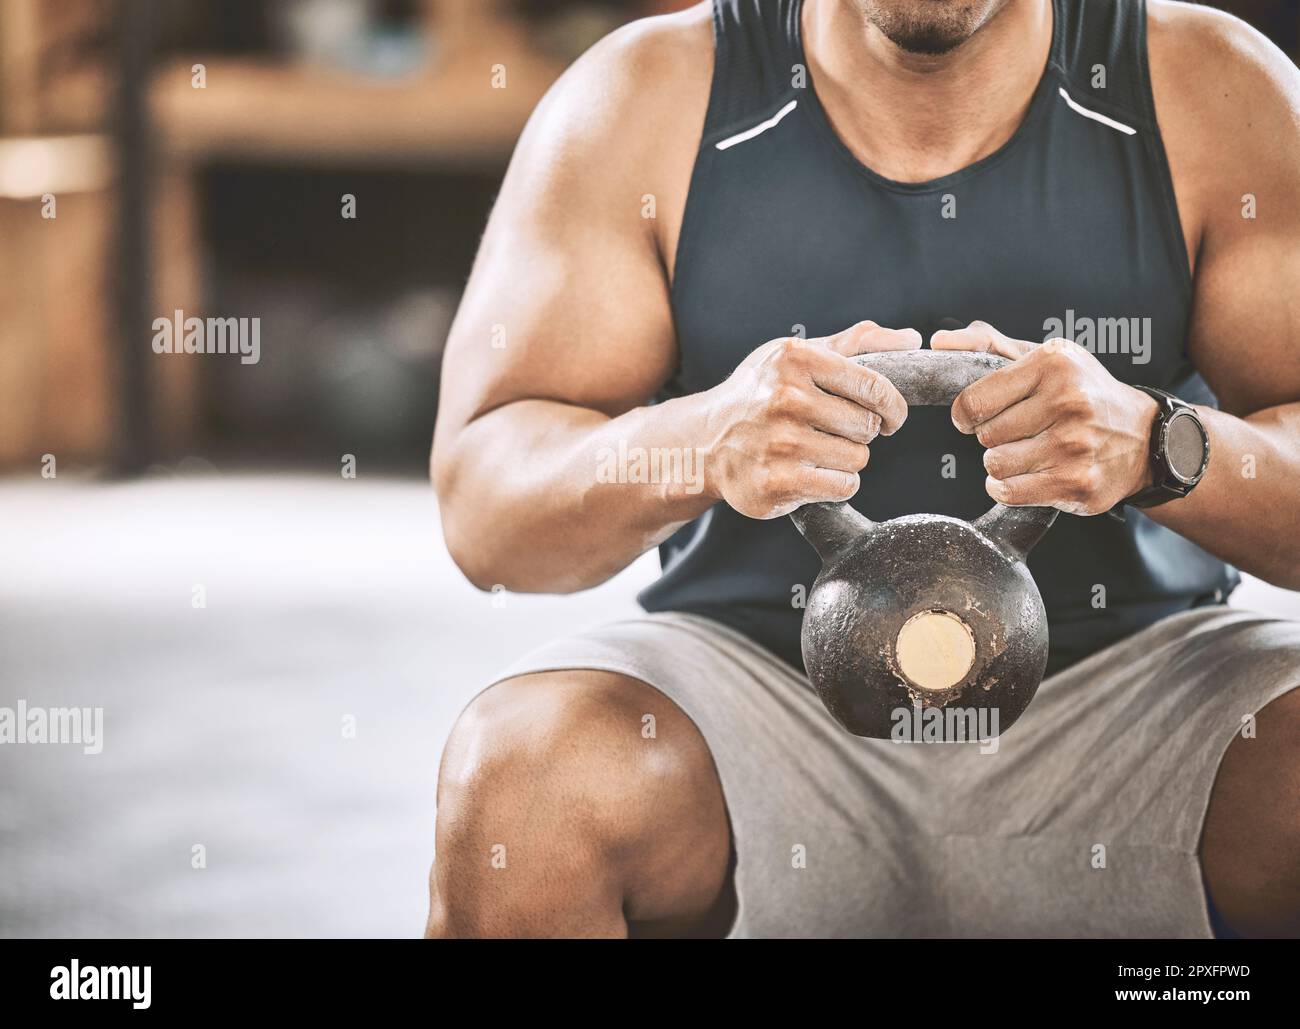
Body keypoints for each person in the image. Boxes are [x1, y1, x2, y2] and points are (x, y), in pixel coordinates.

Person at [427, 0, 1300, 937]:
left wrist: (1161, 444)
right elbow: (488, 513)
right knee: (522, 778)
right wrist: (704, 439)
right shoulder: (646, 96)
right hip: (758, 693)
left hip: (1138, 692)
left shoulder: (1212, 87)